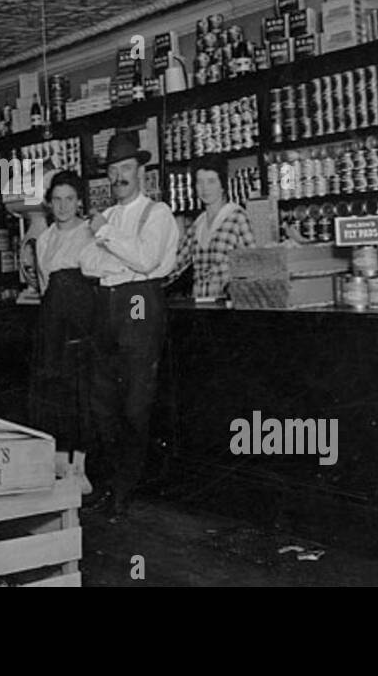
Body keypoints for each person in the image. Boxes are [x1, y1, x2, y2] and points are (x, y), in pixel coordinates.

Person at [78, 132, 180, 518]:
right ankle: (107, 483)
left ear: (141, 171)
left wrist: (107, 236)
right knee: (103, 401)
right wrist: (119, 253)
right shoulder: (113, 217)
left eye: (125, 168)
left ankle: (125, 489)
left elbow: (145, 260)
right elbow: (88, 263)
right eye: (113, 169)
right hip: (107, 304)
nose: (118, 175)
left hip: (138, 303)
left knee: (135, 402)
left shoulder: (158, 213)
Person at [28, 170, 96, 494]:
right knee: (52, 390)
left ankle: (80, 469)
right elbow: (44, 284)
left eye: (70, 199)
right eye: (57, 199)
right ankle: (58, 466)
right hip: (52, 320)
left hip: (82, 320)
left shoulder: (90, 233)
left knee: (80, 390)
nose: (64, 205)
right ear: (49, 203)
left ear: (79, 201)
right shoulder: (44, 239)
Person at [169, 156, 255, 299]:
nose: (205, 188)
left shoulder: (237, 217)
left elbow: (253, 265)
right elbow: (175, 264)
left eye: (211, 181)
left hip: (227, 309)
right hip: (201, 306)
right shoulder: (198, 224)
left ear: (222, 185)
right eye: (200, 182)